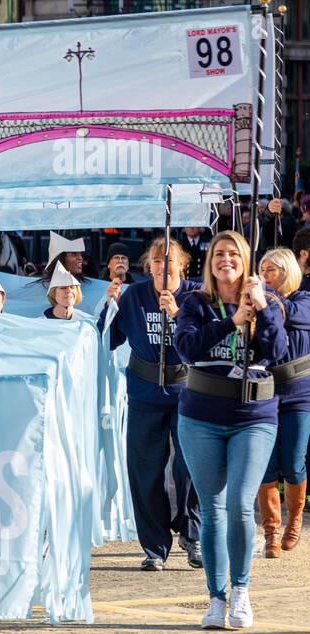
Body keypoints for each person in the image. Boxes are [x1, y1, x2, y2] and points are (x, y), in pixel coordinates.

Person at [174, 230, 288, 630]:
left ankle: (241, 591)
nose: (226, 260)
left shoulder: (267, 302)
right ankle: (216, 598)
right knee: (212, 508)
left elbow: (277, 354)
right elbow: (186, 349)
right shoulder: (195, 303)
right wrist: (232, 322)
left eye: (234, 254)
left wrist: (262, 311)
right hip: (201, 415)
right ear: (210, 262)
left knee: (240, 503)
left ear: (245, 261)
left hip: (253, 417)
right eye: (219, 254)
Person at [102, 236, 201, 571]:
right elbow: (108, 338)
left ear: (183, 265)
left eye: (169, 260)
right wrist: (109, 305)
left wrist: (177, 313)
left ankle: (193, 535)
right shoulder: (135, 296)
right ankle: (155, 546)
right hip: (144, 392)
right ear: (148, 267)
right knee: (146, 470)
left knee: (191, 468)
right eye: (157, 261)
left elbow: (207, 339)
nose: (162, 266)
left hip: (189, 392)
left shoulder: (197, 294)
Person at [256, 247, 310, 557]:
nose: (264, 277)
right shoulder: (262, 304)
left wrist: (266, 300)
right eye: (261, 271)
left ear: (287, 271)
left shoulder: (303, 299)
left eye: (270, 271)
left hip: (300, 393)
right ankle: (272, 532)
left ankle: (295, 522)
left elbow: (293, 313)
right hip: (264, 393)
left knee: (293, 461)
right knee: (266, 466)